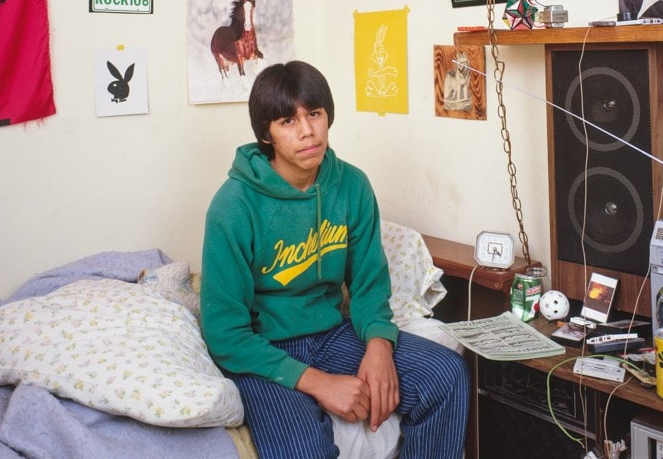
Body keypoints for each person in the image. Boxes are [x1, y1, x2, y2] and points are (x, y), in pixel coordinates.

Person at [200, 60, 470, 459]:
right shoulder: (233, 206)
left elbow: (367, 284)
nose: (307, 131)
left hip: (332, 334)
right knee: (302, 450)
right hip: (264, 349)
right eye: (287, 122)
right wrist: (317, 383)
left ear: (328, 116)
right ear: (267, 135)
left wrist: (379, 346)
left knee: (446, 376)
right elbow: (225, 334)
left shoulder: (352, 184)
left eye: (314, 114)